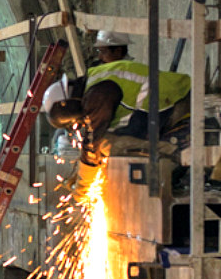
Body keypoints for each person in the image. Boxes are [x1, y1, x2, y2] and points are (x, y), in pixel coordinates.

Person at [42, 58, 190, 196]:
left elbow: (93, 142)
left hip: (172, 99)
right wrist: (81, 171)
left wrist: (83, 185)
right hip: (159, 100)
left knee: (114, 147)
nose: (79, 124)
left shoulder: (97, 95)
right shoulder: (91, 84)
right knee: (110, 141)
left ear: (69, 110)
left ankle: (173, 153)